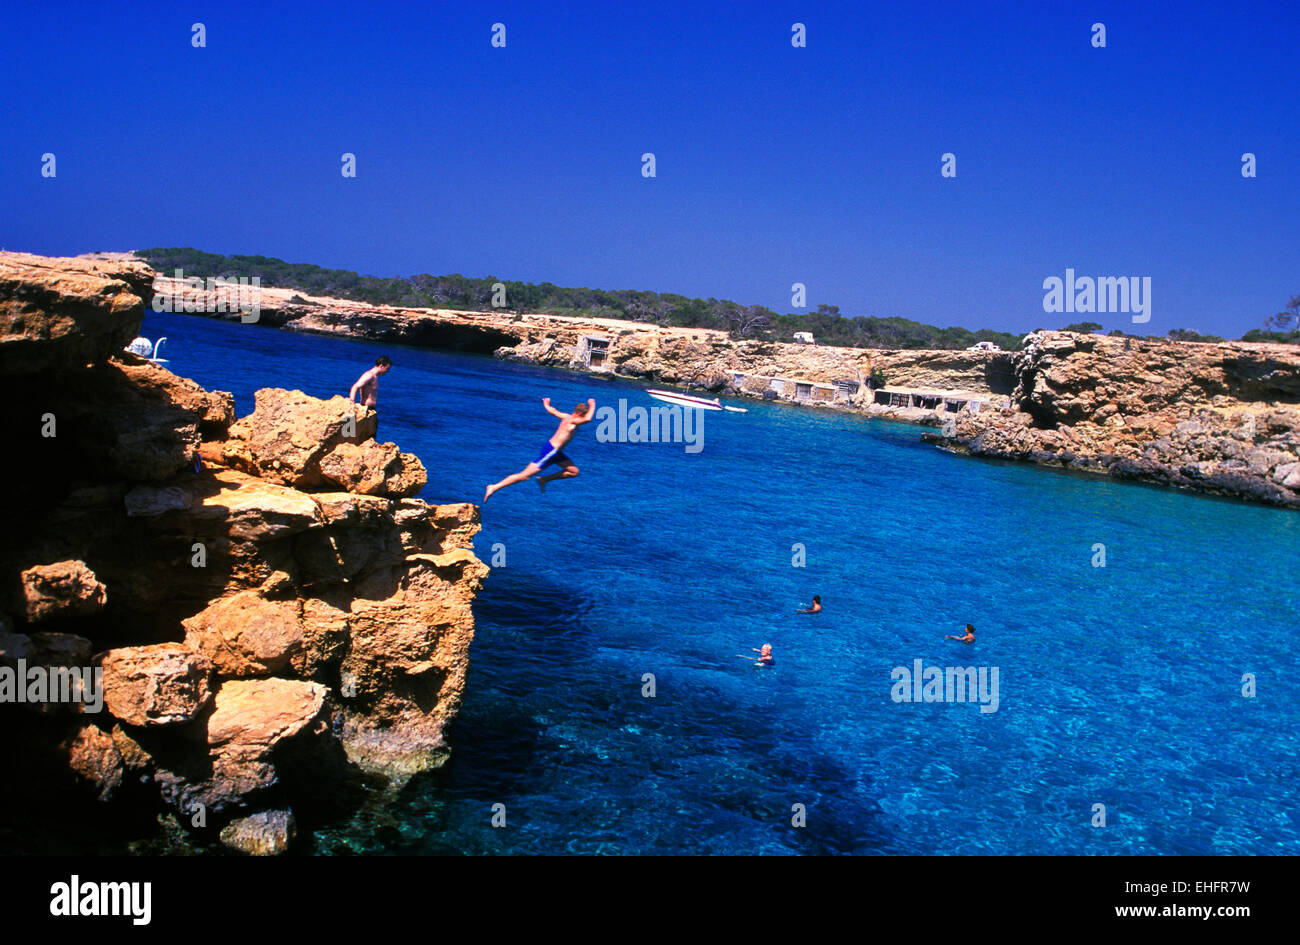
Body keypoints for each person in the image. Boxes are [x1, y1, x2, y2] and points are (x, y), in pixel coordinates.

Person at [484, 397, 595, 502]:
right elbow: (588, 419)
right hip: (551, 452)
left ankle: (544, 479)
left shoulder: (566, 417)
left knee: (574, 471)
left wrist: (546, 404)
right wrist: (592, 404)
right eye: (583, 415)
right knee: (524, 476)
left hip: (554, 451)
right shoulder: (573, 421)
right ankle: (494, 487)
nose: (583, 419)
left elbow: (553, 411)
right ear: (580, 414)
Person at [349, 356, 392, 438]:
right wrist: (351, 403)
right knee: (361, 436)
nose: (388, 371)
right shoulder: (369, 375)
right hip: (366, 408)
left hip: (372, 410)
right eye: (387, 368)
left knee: (371, 437)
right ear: (381, 366)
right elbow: (355, 387)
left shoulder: (375, 377)